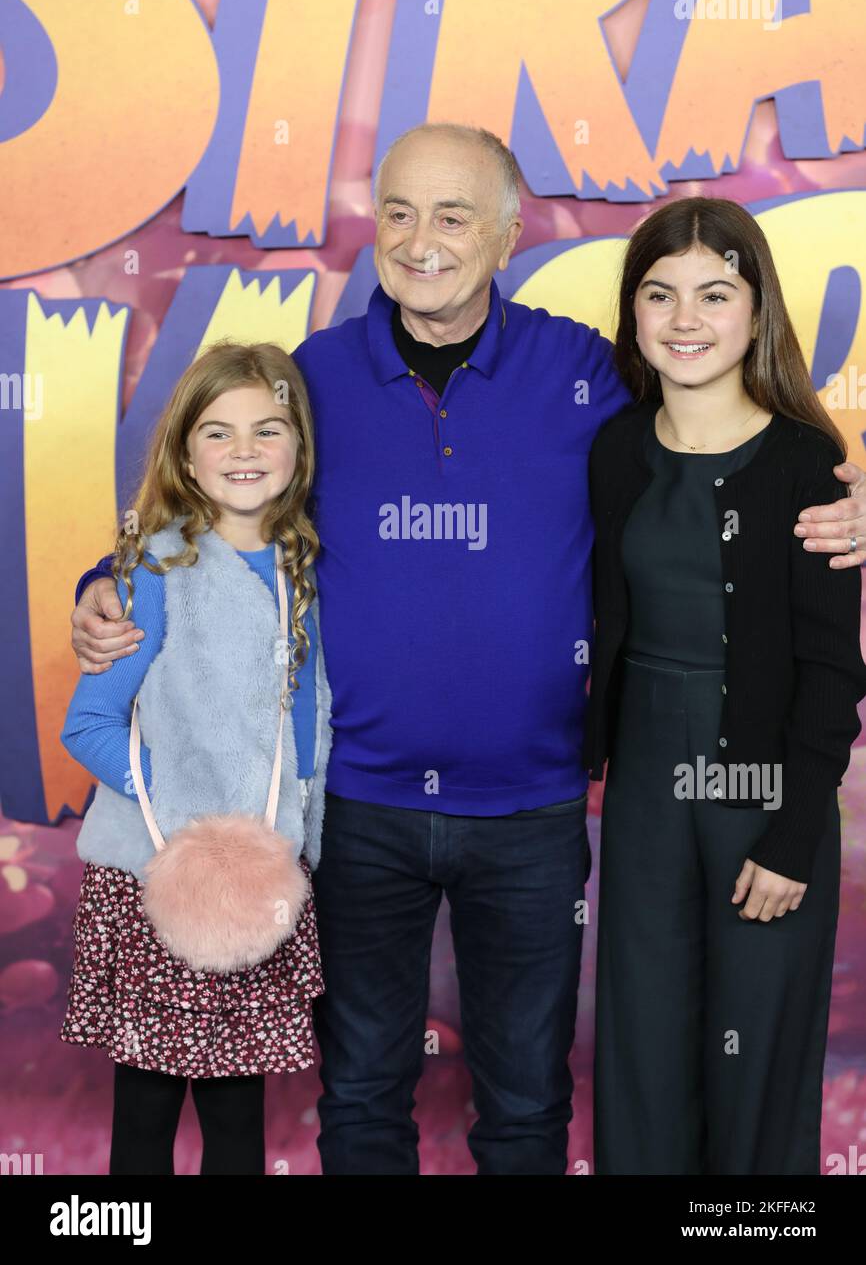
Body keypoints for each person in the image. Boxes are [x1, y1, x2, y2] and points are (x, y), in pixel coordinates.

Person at [68, 124, 866, 1176]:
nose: (420, 239)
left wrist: (841, 496)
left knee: (527, 1102)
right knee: (358, 1092)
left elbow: (724, 441)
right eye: (396, 212)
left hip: (532, 812)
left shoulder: (586, 375)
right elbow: (217, 485)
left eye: (452, 215)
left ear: (505, 233)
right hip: (357, 806)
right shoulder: (315, 381)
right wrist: (105, 587)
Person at [583, 196, 866, 1175]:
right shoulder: (614, 451)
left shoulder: (805, 465)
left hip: (764, 792)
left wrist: (790, 837)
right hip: (645, 792)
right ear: (632, 314)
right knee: (639, 1050)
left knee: (755, 1064)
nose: (683, 317)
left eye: (713, 292)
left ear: (756, 311)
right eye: (657, 294)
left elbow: (833, 672)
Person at [59, 341, 332, 1175]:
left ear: (299, 446)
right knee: (144, 1112)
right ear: (183, 450)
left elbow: (306, 729)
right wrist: (191, 834)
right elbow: (90, 724)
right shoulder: (153, 568)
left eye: (266, 429)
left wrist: (294, 843)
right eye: (217, 432)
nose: (244, 452)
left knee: (236, 1114)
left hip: (264, 884)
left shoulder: (310, 568)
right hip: (155, 881)